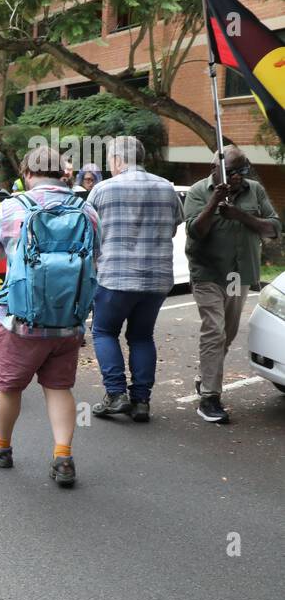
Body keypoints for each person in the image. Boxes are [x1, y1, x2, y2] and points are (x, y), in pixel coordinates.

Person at [0, 146, 100, 488]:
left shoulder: (13, 207)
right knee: (59, 388)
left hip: (21, 321)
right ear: (63, 173)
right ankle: (63, 456)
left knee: (8, 387)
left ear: (27, 174)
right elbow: (96, 255)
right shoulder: (86, 209)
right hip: (68, 321)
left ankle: (1, 448)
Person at [85, 137, 184, 424]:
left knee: (104, 332)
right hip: (156, 278)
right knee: (142, 336)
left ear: (117, 159)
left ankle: (116, 395)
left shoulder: (102, 190)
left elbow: (88, 234)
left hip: (113, 277)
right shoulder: (167, 188)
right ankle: (141, 401)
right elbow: (175, 227)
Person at [183, 146, 281, 424]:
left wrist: (239, 215)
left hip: (239, 274)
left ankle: (205, 377)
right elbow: (195, 231)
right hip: (208, 273)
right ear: (215, 169)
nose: (238, 177)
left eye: (242, 170)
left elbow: (273, 229)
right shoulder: (199, 191)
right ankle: (210, 398)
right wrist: (214, 203)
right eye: (232, 171)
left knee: (227, 333)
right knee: (214, 331)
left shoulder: (255, 191)